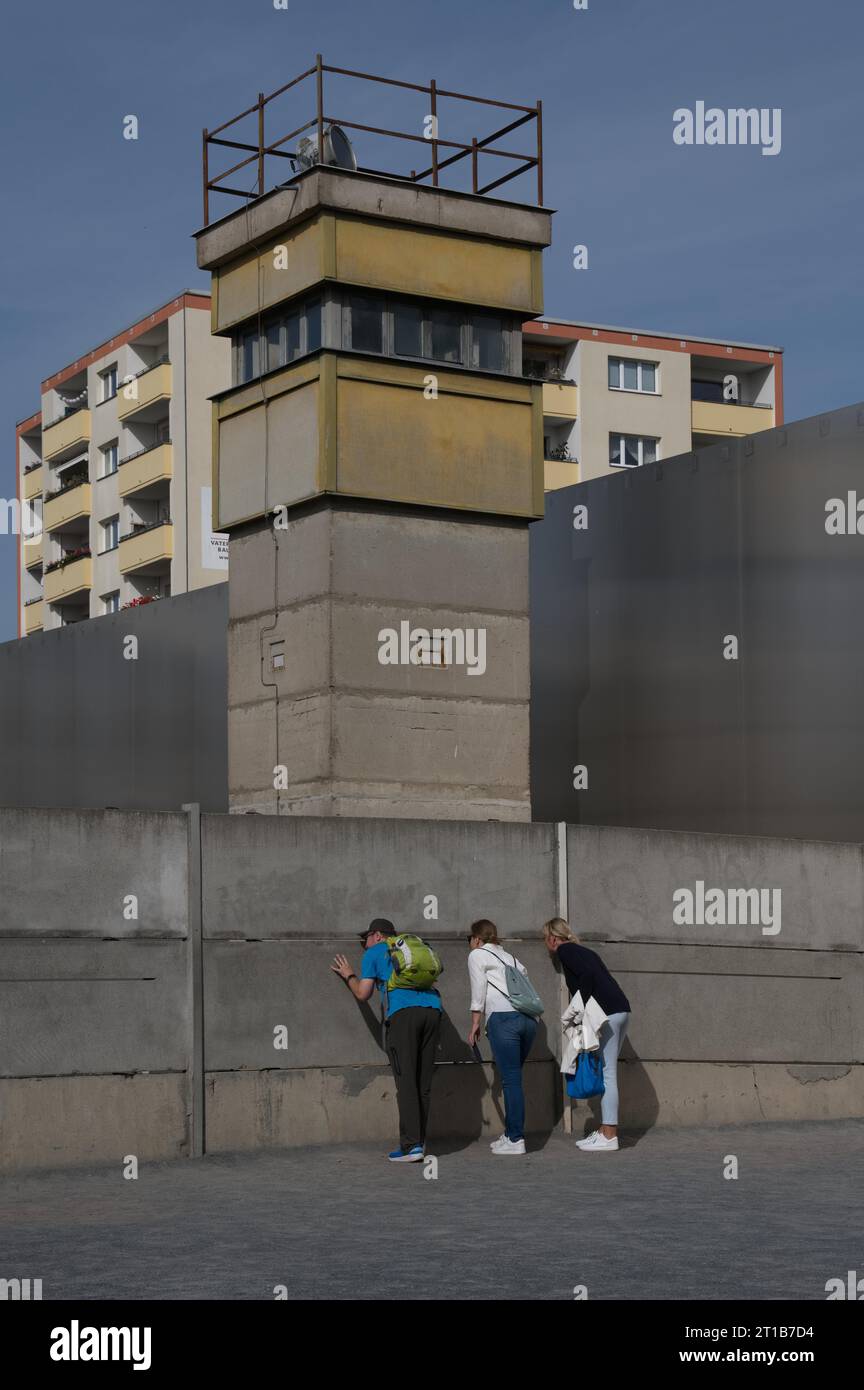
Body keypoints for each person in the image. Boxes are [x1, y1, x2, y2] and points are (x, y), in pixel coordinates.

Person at [331, 918, 442, 1162]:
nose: (364, 944)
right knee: (423, 1083)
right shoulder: (409, 951)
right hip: (433, 1011)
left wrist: (350, 975)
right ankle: (418, 1143)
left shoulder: (375, 952)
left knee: (406, 1082)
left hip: (403, 1016)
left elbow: (363, 993)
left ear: (378, 935)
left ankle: (411, 1147)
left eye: (366, 938)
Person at [543, 917, 631, 1153]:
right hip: (620, 1009)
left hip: (608, 1013)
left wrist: (577, 1010)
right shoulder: (584, 951)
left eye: (545, 939)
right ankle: (604, 1131)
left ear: (553, 938)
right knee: (607, 1071)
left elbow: (588, 978)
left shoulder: (566, 951)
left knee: (607, 1072)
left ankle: (609, 1135)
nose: (546, 944)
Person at [467, 919, 537, 1156]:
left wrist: (475, 1023)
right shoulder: (513, 959)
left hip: (504, 1020)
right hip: (529, 1021)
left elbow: (478, 991)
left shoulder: (477, 955)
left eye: (470, 939)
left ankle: (516, 1139)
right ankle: (509, 1135)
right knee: (514, 1079)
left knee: (511, 1081)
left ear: (477, 938)